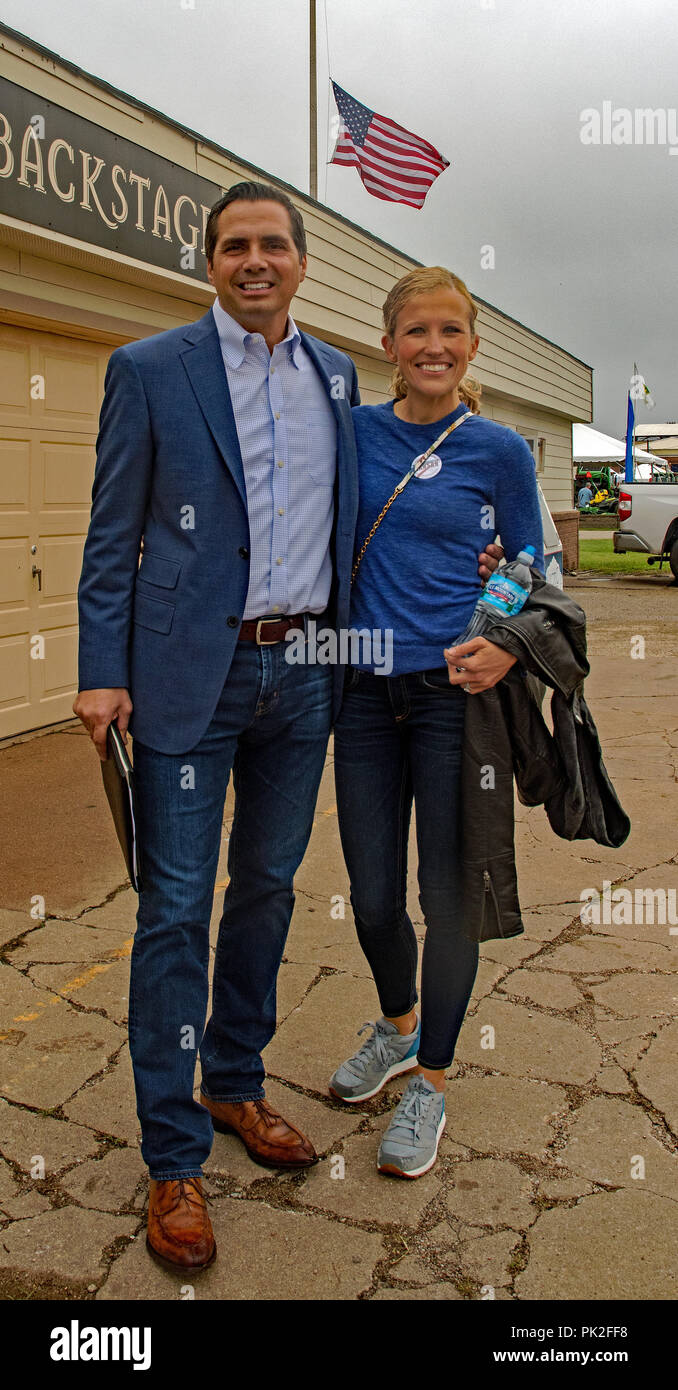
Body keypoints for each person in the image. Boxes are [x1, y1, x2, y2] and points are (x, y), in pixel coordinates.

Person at [74, 189, 501, 1268]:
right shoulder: (151, 368)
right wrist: (98, 673)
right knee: (176, 908)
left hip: (307, 671)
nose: (253, 261)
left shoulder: (335, 378)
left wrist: (487, 575)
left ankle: (234, 1085)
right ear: (210, 261)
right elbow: (109, 531)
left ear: (303, 264)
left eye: (272, 245)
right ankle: (174, 1154)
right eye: (234, 247)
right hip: (185, 675)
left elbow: (378, 520)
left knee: (265, 890)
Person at [329, 266, 544, 1179]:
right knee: (373, 893)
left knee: (449, 895)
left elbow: (536, 561)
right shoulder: (353, 434)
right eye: (416, 332)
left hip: (456, 699)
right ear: (388, 345)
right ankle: (399, 1028)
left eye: (451, 331)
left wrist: (500, 638)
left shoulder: (500, 451)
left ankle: (435, 1081)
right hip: (363, 695)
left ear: (472, 346)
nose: (433, 347)